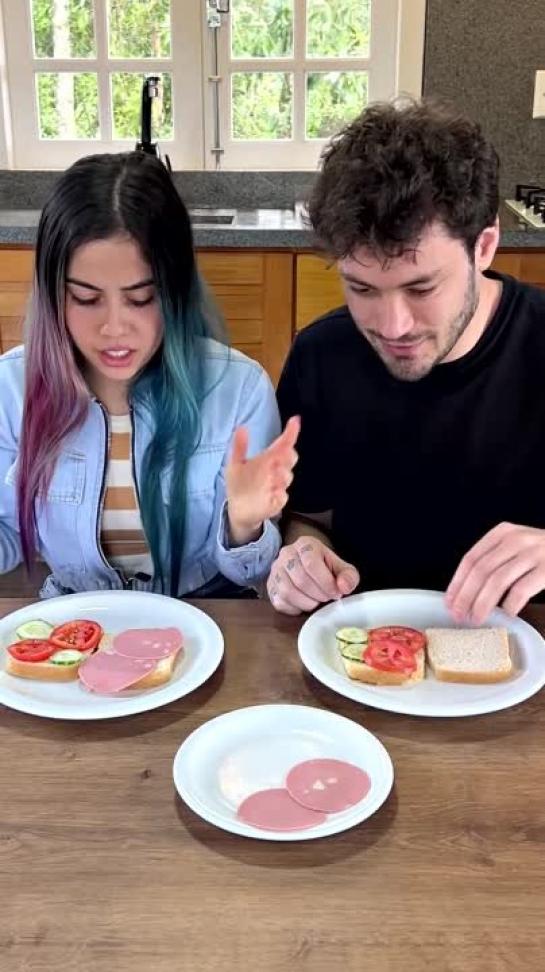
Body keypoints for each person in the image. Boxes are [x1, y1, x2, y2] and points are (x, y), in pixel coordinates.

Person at [268, 98, 545, 625]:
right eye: (362, 287)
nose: (392, 326)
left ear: (483, 247)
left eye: (421, 287)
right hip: (361, 648)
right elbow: (306, 516)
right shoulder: (322, 356)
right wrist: (301, 556)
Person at [0, 151, 299, 599]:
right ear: (52, 293)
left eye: (141, 298)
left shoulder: (239, 390)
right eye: (85, 298)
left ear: (175, 291)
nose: (114, 329)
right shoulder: (11, 389)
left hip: (209, 613)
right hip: (78, 620)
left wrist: (245, 522)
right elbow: (9, 537)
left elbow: (251, 575)